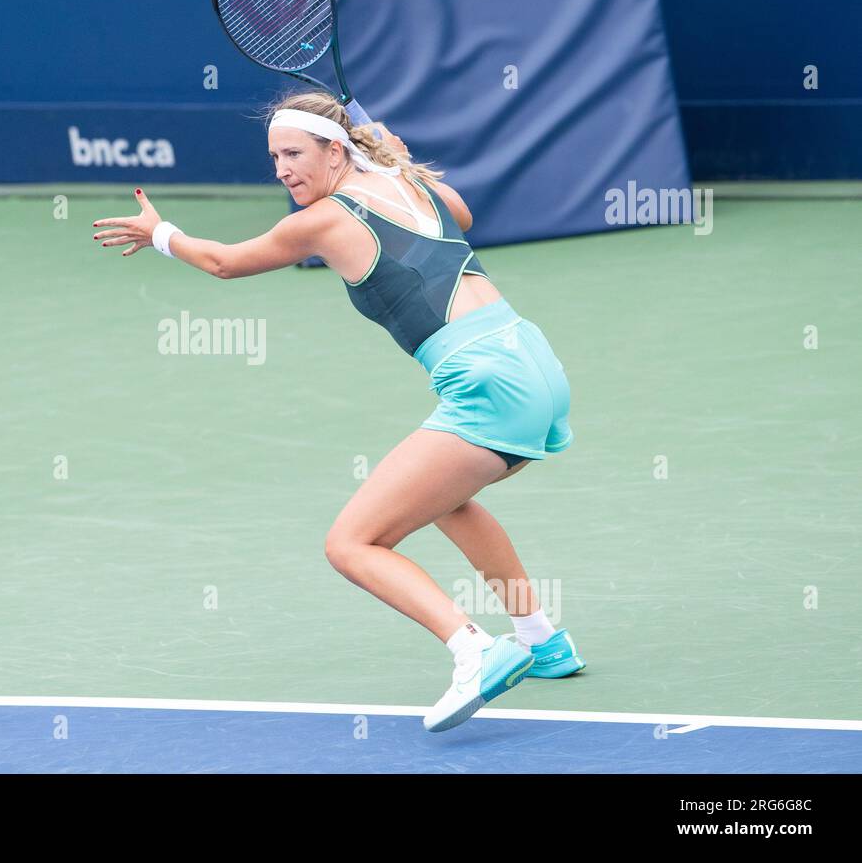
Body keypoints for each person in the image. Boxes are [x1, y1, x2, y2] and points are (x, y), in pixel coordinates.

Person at [91, 90, 586, 732]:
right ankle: (542, 640)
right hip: (533, 361)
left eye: (294, 153)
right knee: (445, 501)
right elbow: (457, 211)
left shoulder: (325, 218)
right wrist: (394, 159)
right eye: (274, 158)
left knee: (352, 543)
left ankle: (475, 651)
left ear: (335, 148)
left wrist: (160, 232)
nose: (282, 170)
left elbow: (223, 263)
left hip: (485, 379)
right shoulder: (414, 186)